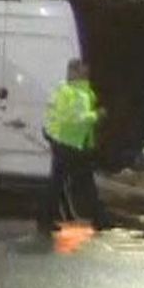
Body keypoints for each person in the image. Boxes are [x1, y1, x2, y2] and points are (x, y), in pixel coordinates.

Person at [42, 58, 105, 233]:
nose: (87, 74)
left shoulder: (66, 90)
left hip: (68, 143)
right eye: (83, 71)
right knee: (79, 181)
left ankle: (47, 220)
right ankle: (99, 219)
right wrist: (96, 116)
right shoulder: (74, 93)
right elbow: (77, 118)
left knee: (60, 182)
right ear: (75, 72)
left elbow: (53, 116)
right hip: (70, 144)